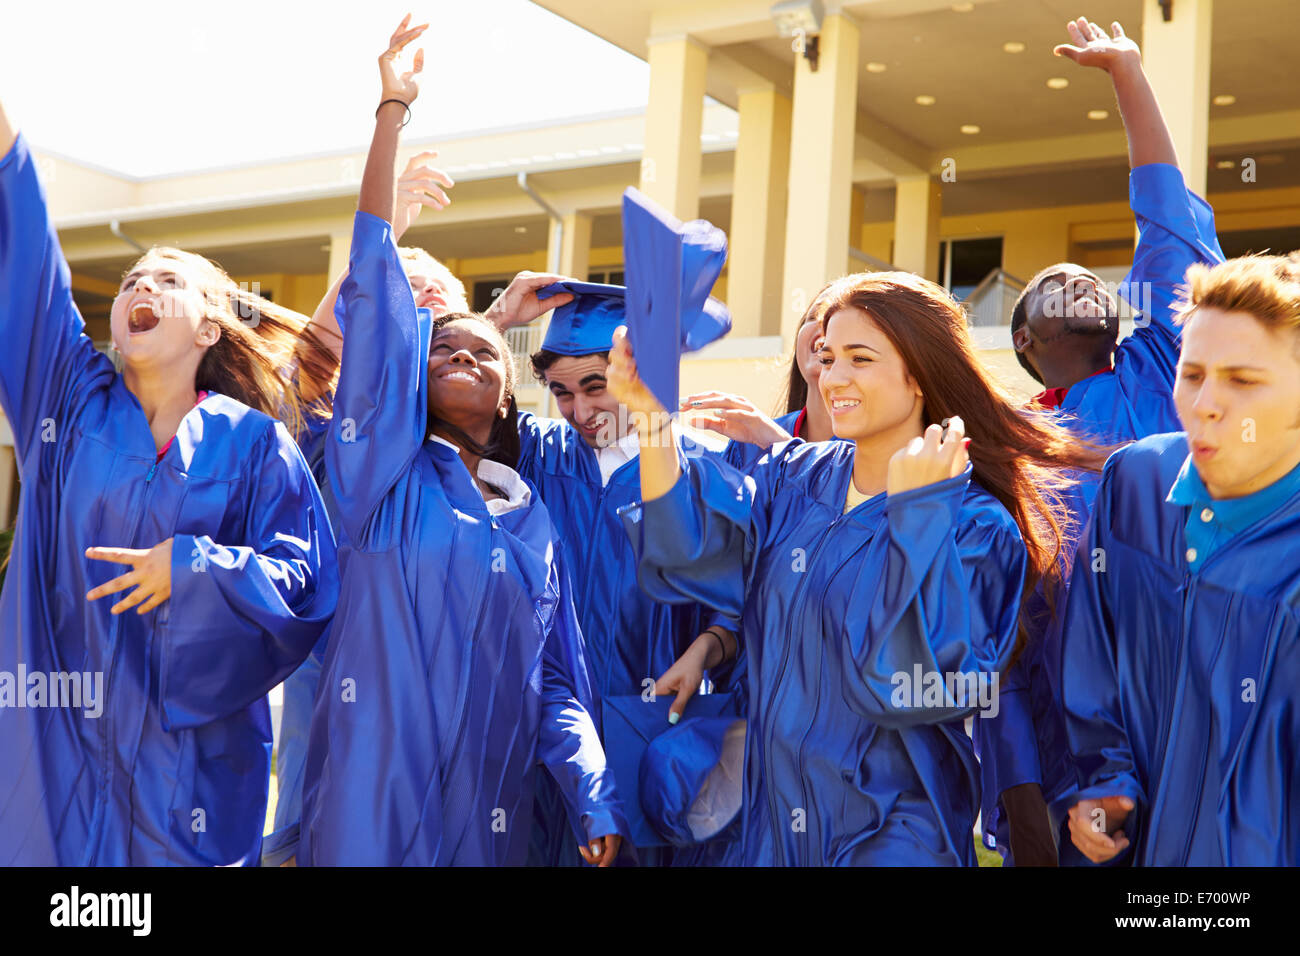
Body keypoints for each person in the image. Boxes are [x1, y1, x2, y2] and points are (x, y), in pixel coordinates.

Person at [610, 270, 1105, 865]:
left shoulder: (974, 524)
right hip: (776, 825)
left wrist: (917, 516)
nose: (830, 377)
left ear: (918, 373)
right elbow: (691, 547)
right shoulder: (796, 476)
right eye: (826, 356)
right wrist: (651, 417)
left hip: (894, 834)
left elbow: (907, 688)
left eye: (859, 359)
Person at [299, 18, 626, 866]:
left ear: (512, 387)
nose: (458, 349)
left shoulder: (532, 520)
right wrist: (391, 108)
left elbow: (552, 680)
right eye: (435, 343)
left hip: (489, 816)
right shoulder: (380, 477)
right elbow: (373, 272)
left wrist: (593, 792)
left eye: (480, 347)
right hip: (371, 811)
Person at [0, 96, 339, 865]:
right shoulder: (66, 397)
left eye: (166, 281)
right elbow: (24, 244)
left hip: (193, 772)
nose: (139, 289)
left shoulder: (253, 444)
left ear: (211, 326)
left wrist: (192, 566)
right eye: (128, 282)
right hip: (61, 751)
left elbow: (307, 579)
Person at [977, 16, 1225, 866]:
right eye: (1051, 284)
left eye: (1088, 279)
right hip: (1061, 735)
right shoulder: (1004, 446)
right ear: (1023, 344)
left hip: (1182, 694)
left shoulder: (1160, 372)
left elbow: (1165, 225)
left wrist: (1127, 74)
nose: (1076, 278)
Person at [485, 275, 745, 865]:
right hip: (543, 732)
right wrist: (497, 321)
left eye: (595, 386)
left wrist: (709, 643)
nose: (579, 410)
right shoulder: (532, 455)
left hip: (655, 728)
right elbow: (431, 402)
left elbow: (743, 596)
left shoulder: (703, 466)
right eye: (561, 392)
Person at [1062, 251, 1300, 866]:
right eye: (1192, 374)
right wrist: (1103, 779)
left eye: (1242, 380)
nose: (1205, 404)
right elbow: (1092, 653)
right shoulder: (1135, 483)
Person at [265, 153, 461, 868]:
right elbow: (316, 356)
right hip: (333, 655)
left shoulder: (483, 448)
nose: (416, 310)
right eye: (403, 296)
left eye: (434, 304)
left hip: (438, 668)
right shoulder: (330, 421)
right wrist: (386, 232)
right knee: (313, 824)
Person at [682, 282, 841, 471]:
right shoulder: (750, 442)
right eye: (816, 316)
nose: (826, 326)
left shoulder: (872, 448)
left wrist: (782, 446)